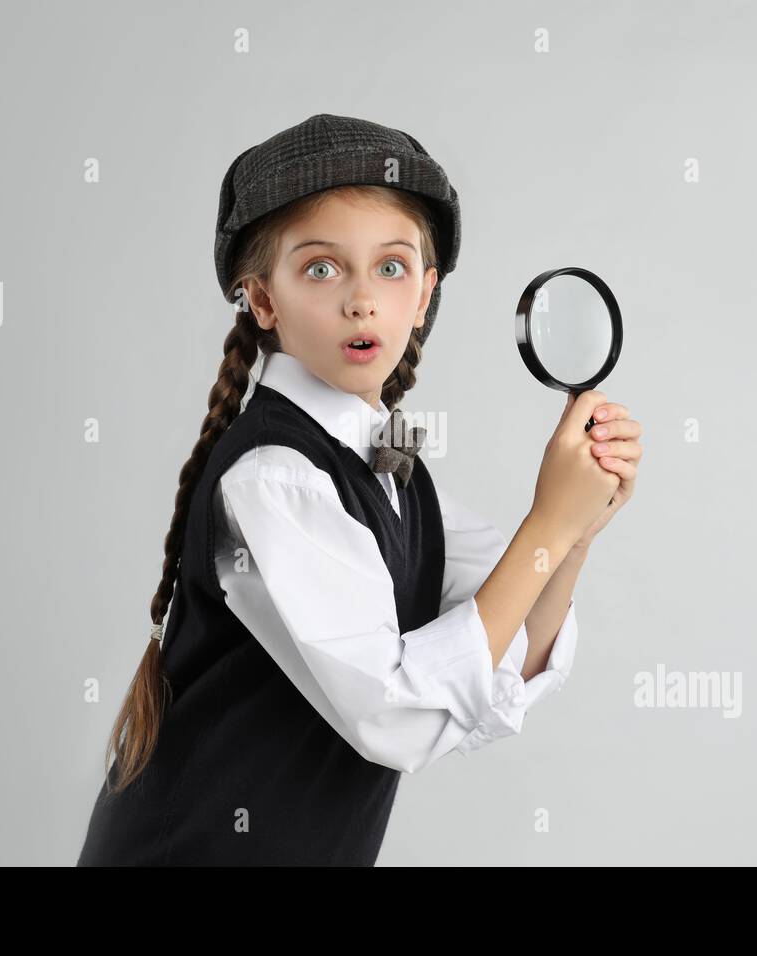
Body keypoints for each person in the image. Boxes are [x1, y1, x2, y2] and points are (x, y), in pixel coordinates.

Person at [76, 113, 643, 866]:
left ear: (426, 294)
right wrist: (548, 525)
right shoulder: (273, 478)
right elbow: (398, 715)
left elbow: (503, 652)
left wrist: (575, 532)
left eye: (391, 267)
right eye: (320, 268)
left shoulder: (392, 470)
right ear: (264, 299)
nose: (361, 300)